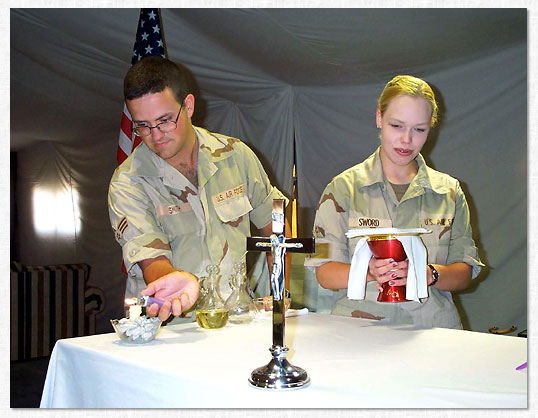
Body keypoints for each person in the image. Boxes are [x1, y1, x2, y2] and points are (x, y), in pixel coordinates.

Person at [109, 57, 288, 322]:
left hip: (237, 319)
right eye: (143, 126)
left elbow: (277, 224)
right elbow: (151, 261)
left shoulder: (235, 156)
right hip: (170, 326)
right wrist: (174, 282)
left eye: (165, 120)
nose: (156, 135)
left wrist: (278, 291)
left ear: (189, 106)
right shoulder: (129, 182)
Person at [305, 75, 483, 329]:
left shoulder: (448, 192)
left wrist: (428, 273)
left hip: (432, 332)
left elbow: (464, 271)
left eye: (419, 129)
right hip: (361, 330)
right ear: (379, 118)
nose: (407, 140)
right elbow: (324, 272)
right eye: (397, 126)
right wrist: (369, 271)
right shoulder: (343, 189)